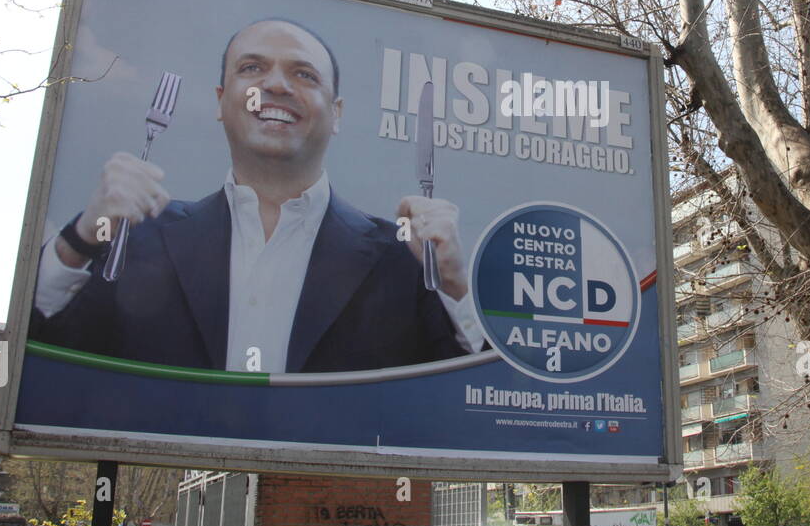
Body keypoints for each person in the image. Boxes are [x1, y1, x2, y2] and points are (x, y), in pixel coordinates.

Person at [31, 18, 478, 373]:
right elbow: (48, 371)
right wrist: (77, 241)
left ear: (336, 114)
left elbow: (464, 406)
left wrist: (459, 289)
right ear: (221, 101)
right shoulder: (137, 241)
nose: (277, 85)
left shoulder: (404, 260)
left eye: (304, 74)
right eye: (252, 68)